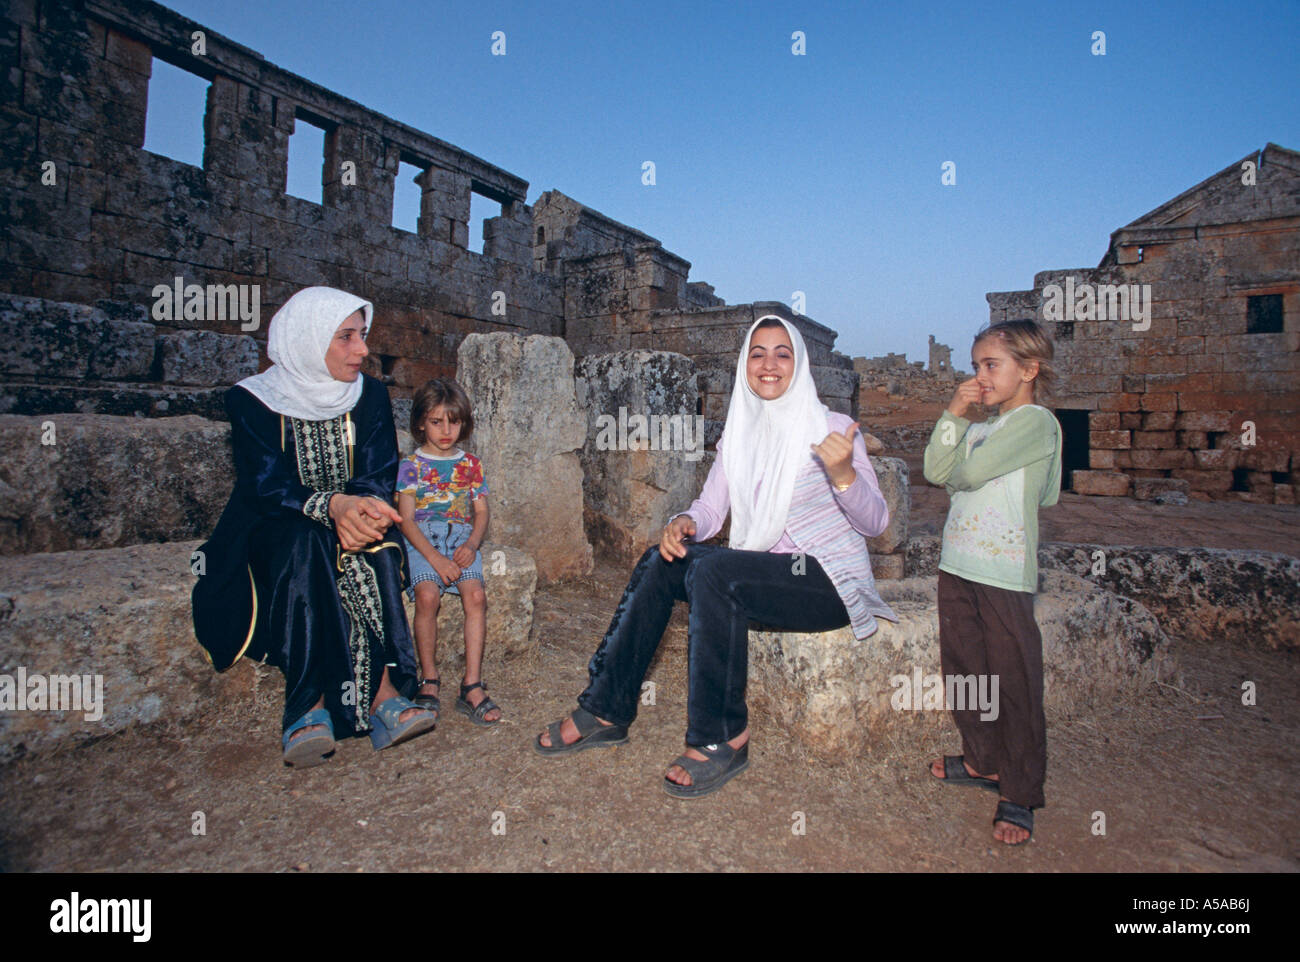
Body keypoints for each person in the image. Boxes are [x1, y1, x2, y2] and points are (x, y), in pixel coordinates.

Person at [535, 314, 898, 798]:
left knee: (714, 570)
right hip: (765, 569)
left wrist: (843, 474)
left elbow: (876, 523)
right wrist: (684, 523)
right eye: (758, 353)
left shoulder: (831, 429)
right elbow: (711, 509)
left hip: (827, 579)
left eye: (782, 354)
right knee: (663, 558)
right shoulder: (741, 433)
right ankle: (606, 708)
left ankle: (722, 735)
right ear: (745, 363)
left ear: (799, 364)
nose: (769, 364)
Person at [191, 286, 435, 768]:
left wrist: (359, 510)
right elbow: (264, 484)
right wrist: (331, 507)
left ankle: (384, 695)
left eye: (362, 336)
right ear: (307, 340)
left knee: (378, 545)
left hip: (353, 514)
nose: (363, 350)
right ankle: (310, 706)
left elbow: (379, 467)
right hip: (275, 522)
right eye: (346, 338)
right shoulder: (252, 400)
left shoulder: (369, 394)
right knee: (309, 544)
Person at [922, 318, 1062, 845]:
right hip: (957, 563)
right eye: (975, 366)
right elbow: (937, 469)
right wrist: (956, 414)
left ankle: (1021, 789)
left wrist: (963, 464)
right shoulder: (979, 427)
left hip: (1003, 569)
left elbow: (971, 477)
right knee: (965, 669)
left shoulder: (1038, 423)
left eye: (990, 365)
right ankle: (982, 761)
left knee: (1014, 678)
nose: (979, 376)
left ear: (1029, 369)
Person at [395, 378, 501, 726]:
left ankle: (471, 683)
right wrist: (435, 559)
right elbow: (406, 520)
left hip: (460, 537)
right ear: (421, 422)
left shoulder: (470, 464)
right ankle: (429, 678)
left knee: (476, 597)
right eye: (437, 421)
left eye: (453, 421)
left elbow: (481, 512)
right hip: (423, 539)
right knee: (427, 597)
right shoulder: (411, 465)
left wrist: (471, 545)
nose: (445, 430)